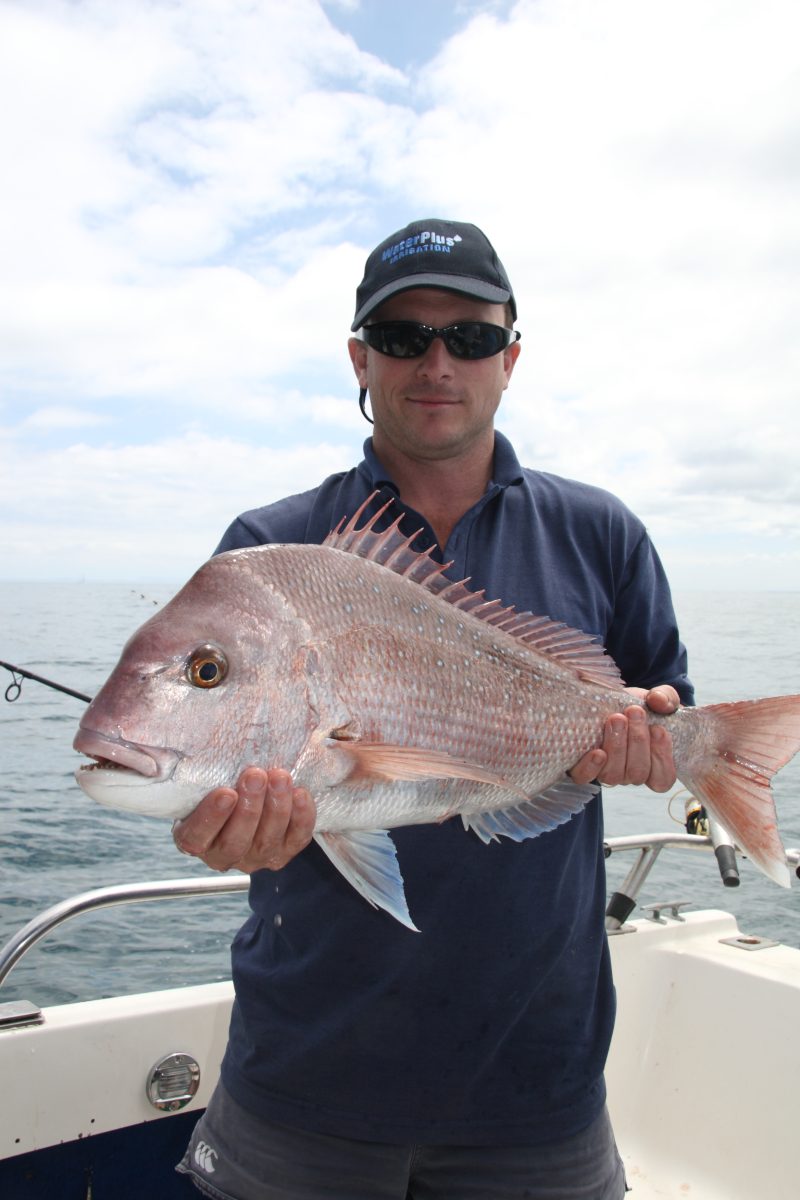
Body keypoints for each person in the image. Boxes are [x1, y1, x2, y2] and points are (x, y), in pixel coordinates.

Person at [175, 218, 693, 1199]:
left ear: (511, 357)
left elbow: (667, 722)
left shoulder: (599, 532)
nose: (437, 362)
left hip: (538, 1081)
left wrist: (641, 742)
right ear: (359, 359)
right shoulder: (274, 546)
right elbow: (209, 752)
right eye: (404, 337)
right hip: (302, 1084)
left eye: (469, 335)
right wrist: (224, 833)